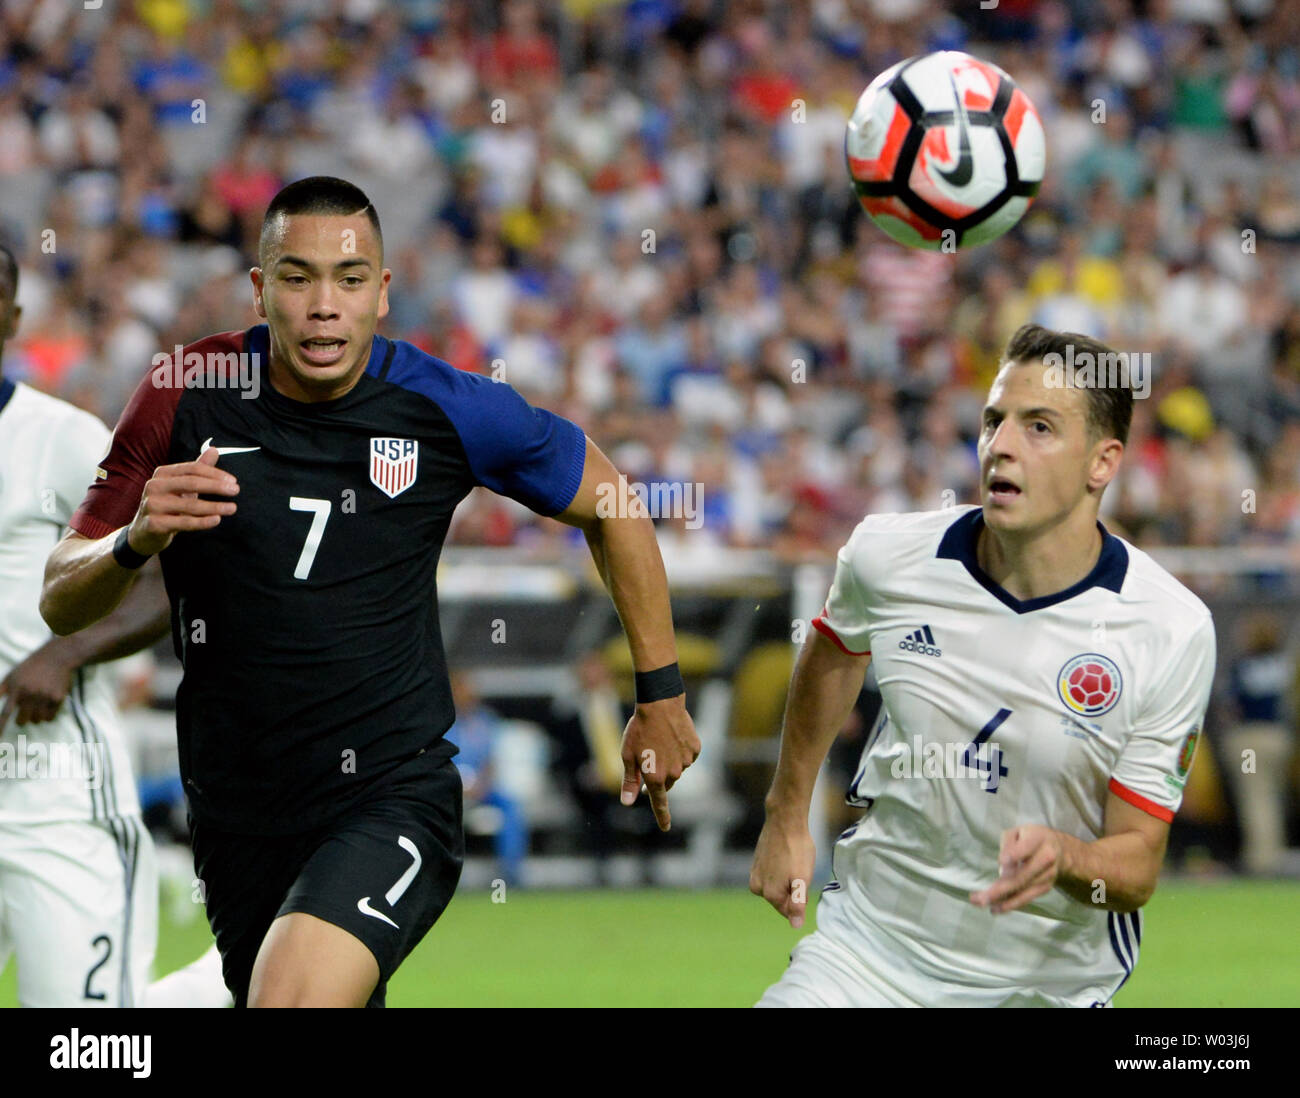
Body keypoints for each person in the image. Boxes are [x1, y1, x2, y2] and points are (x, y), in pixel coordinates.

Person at [40, 178, 701, 1008]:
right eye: (298, 276)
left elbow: (613, 504)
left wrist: (660, 691)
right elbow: (61, 598)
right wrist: (133, 540)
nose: (324, 306)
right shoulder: (184, 390)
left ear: (382, 294)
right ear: (259, 289)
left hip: (390, 791)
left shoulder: (443, 407)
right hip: (236, 808)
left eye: (350, 280)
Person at [751, 324, 1217, 1007]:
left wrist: (1064, 858)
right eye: (993, 421)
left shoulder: (1169, 629)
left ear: (1102, 462)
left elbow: (1137, 862)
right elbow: (833, 648)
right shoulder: (888, 557)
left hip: (1045, 987)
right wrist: (786, 813)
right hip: (868, 958)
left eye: (1039, 428)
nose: (1000, 446)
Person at [0, 241, 228, 1007]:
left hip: (54, 791)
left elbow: (166, 571)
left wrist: (65, 653)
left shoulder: (60, 436)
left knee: (88, 1047)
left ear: (15, 317)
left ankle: (256, 976)